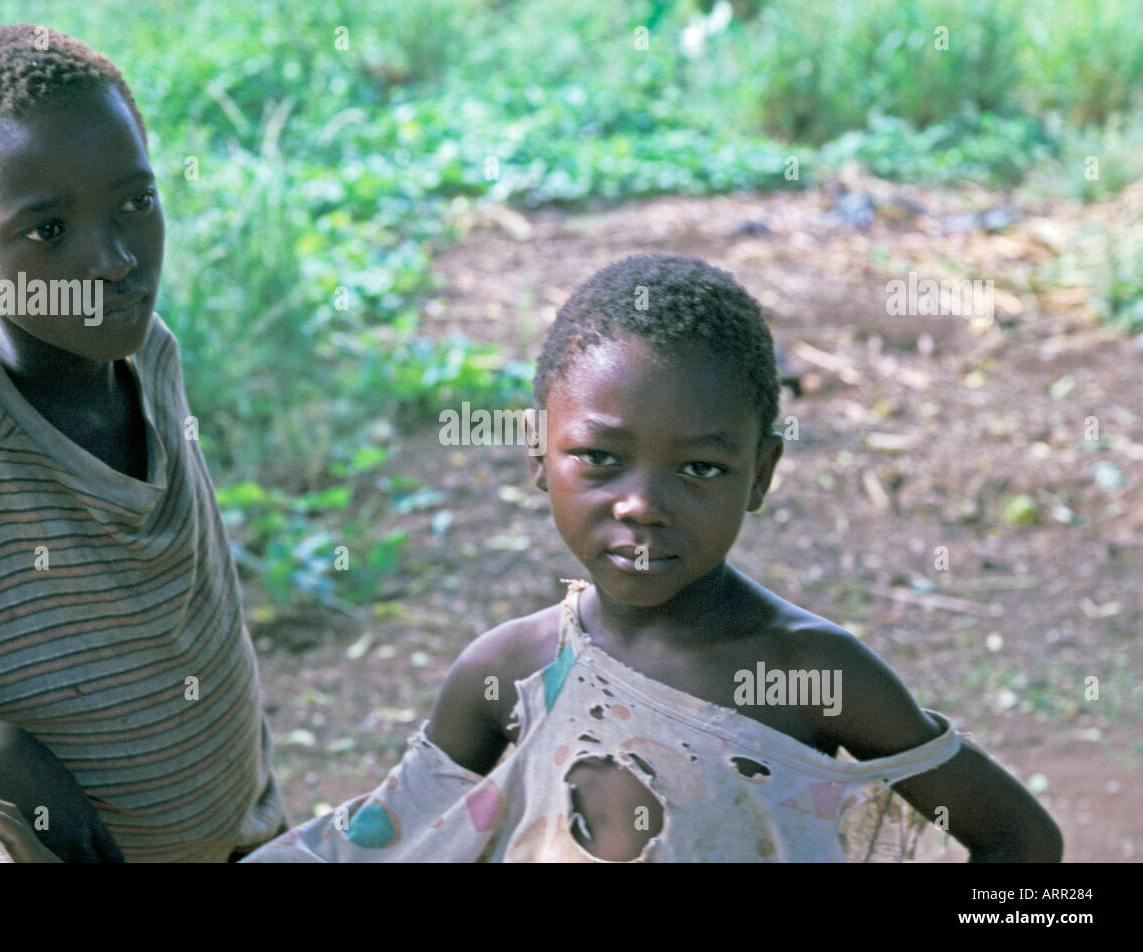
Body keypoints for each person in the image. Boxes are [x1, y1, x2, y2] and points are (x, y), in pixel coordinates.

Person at [239, 254, 1063, 862]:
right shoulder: (509, 672)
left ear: (761, 474)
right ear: (538, 453)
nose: (642, 503)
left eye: (700, 468)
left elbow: (1019, 843)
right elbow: (385, 841)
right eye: (599, 459)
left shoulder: (813, 671)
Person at [0, 25, 284, 862]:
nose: (114, 260)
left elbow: (193, 623)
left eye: (136, 203)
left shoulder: (146, 350)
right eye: (48, 231)